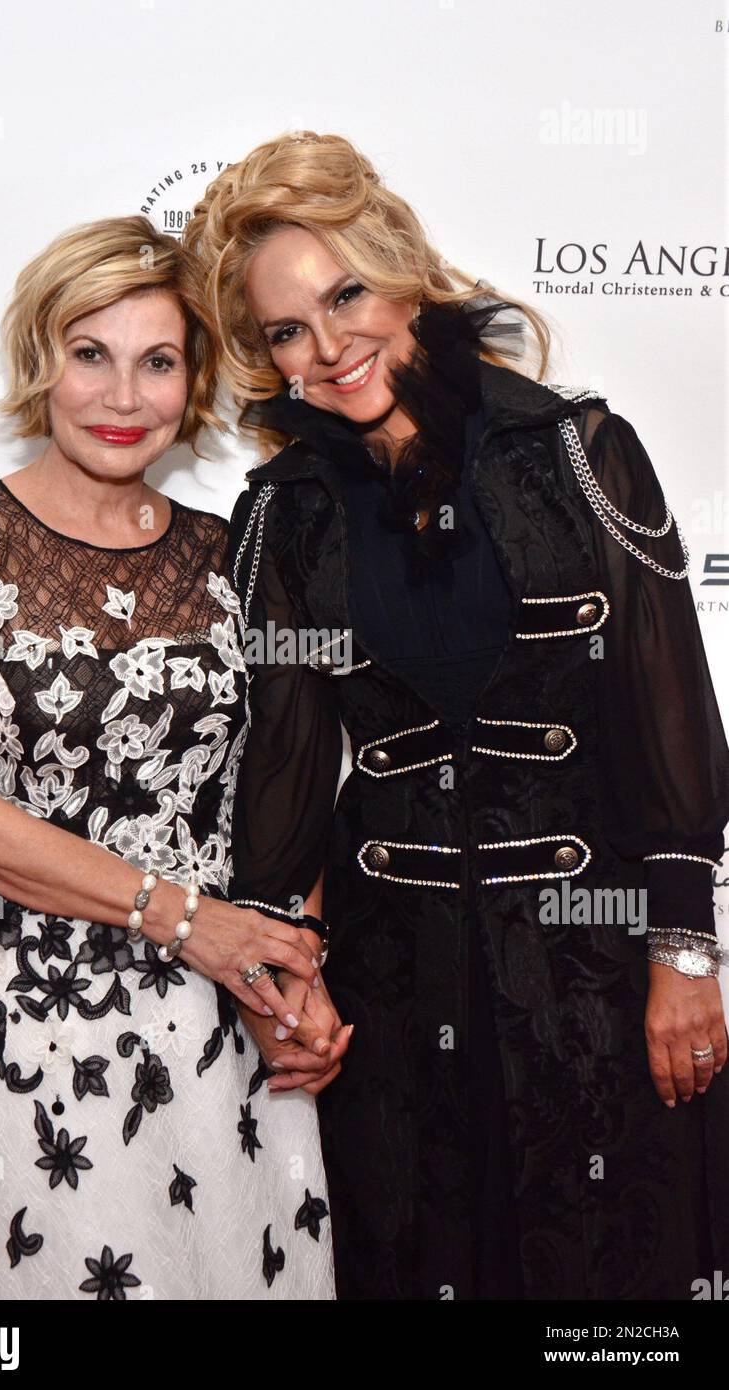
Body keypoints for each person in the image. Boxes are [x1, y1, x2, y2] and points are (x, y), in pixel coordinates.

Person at [183, 131, 729, 1300]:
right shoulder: (284, 513)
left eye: (347, 296)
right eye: (287, 330)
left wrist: (683, 954)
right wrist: (291, 975)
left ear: (404, 273)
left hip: (594, 961)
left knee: (613, 1280)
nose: (329, 348)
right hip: (395, 983)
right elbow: (279, 769)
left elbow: (669, 709)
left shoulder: (578, 454)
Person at [0, 215, 341, 1300]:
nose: (123, 398)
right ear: (42, 360)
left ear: (197, 380)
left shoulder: (237, 553)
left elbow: (283, 783)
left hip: (209, 1033)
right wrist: (185, 916)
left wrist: (297, 966)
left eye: (158, 362)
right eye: (92, 355)